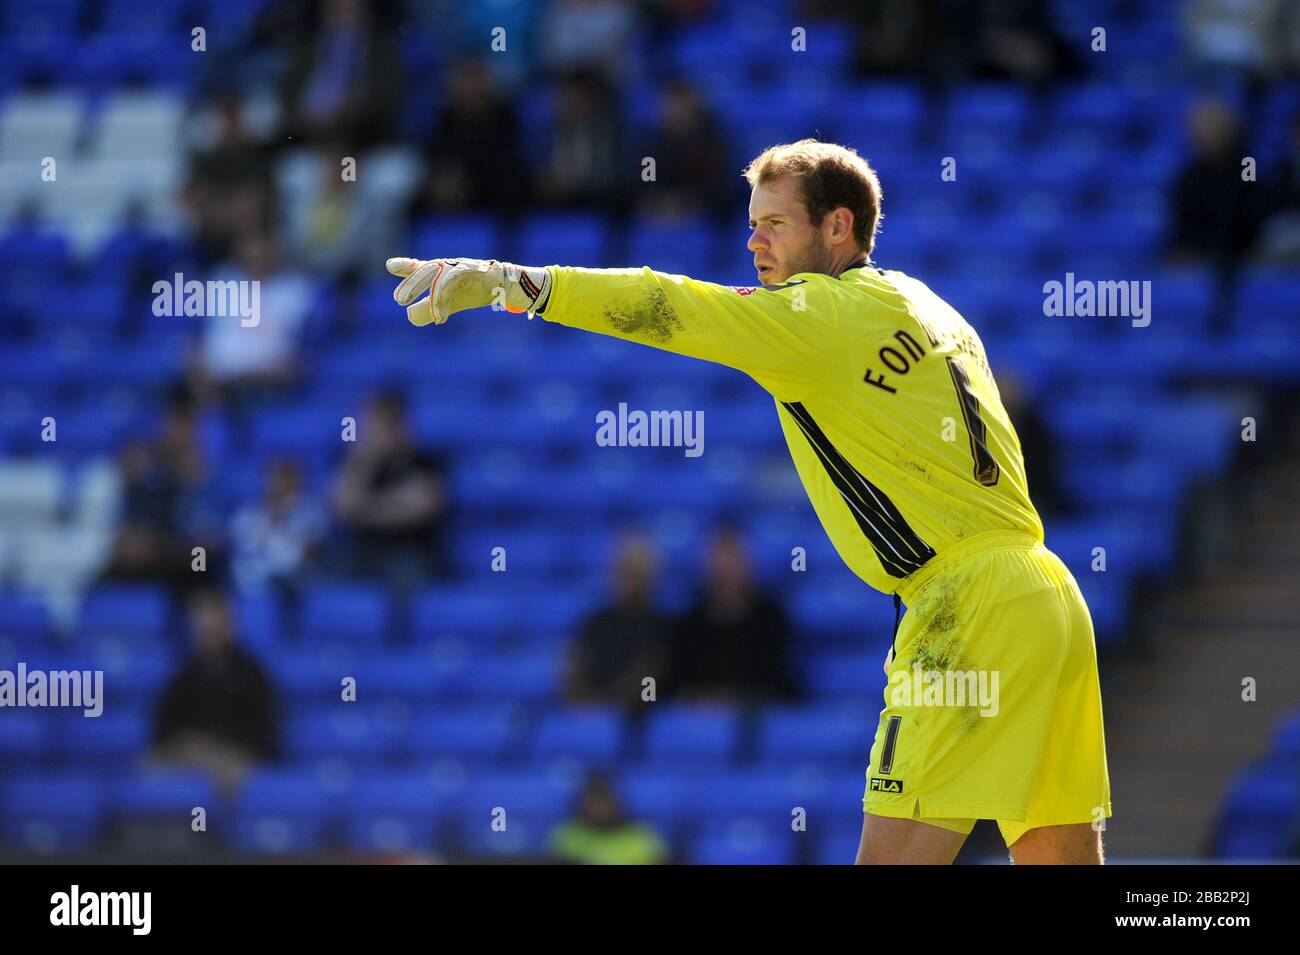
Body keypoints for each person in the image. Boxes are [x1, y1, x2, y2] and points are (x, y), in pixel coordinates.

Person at [384, 138, 1111, 865]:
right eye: (752, 222)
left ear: (839, 227)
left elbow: (664, 303)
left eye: (776, 223)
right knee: (1062, 853)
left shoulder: (817, 311)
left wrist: (514, 282)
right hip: (1046, 595)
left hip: (964, 607)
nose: (753, 240)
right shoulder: (930, 305)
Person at [152, 588, 279, 793]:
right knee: (148, 772)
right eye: (199, 621)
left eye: (212, 620)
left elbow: (265, 735)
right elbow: (161, 730)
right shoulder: (182, 676)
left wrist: (212, 746)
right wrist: (187, 745)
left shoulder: (253, 676)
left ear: (228, 622)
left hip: (234, 757)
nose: (205, 625)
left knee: (231, 777)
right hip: (185, 755)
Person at [331, 391, 448, 591]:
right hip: (362, 550)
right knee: (329, 582)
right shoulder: (356, 463)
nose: (376, 432)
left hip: (408, 552)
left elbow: (421, 509)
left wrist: (364, 508)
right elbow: (343, 508)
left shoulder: (425, 463)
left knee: (408, 579)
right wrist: (366, 464)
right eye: (372, 425)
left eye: (384, 425)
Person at [668, 526, 798, 704]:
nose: (727, 573)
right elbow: (679, 682)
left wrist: (737, 698)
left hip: (758, 710)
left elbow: (777, 678)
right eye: (720, 565)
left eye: (734, 563)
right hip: (701, 715)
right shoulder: (690, 622)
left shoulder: (770, 618)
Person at [566, 534, 671, 709]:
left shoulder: (662, 628)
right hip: (593, 714)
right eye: (622, 572)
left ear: (650, 578)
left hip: (642, 717)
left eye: (635, 574)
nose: (627, 580)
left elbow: (650, 684)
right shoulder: (596, 623)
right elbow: (577, 671)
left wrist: (615, 704)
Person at [546, 773, 669, 865]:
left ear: (617, 804)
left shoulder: (640, 834)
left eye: (604, 803)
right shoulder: (568, 834)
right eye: (593, 803)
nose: (599, 809)